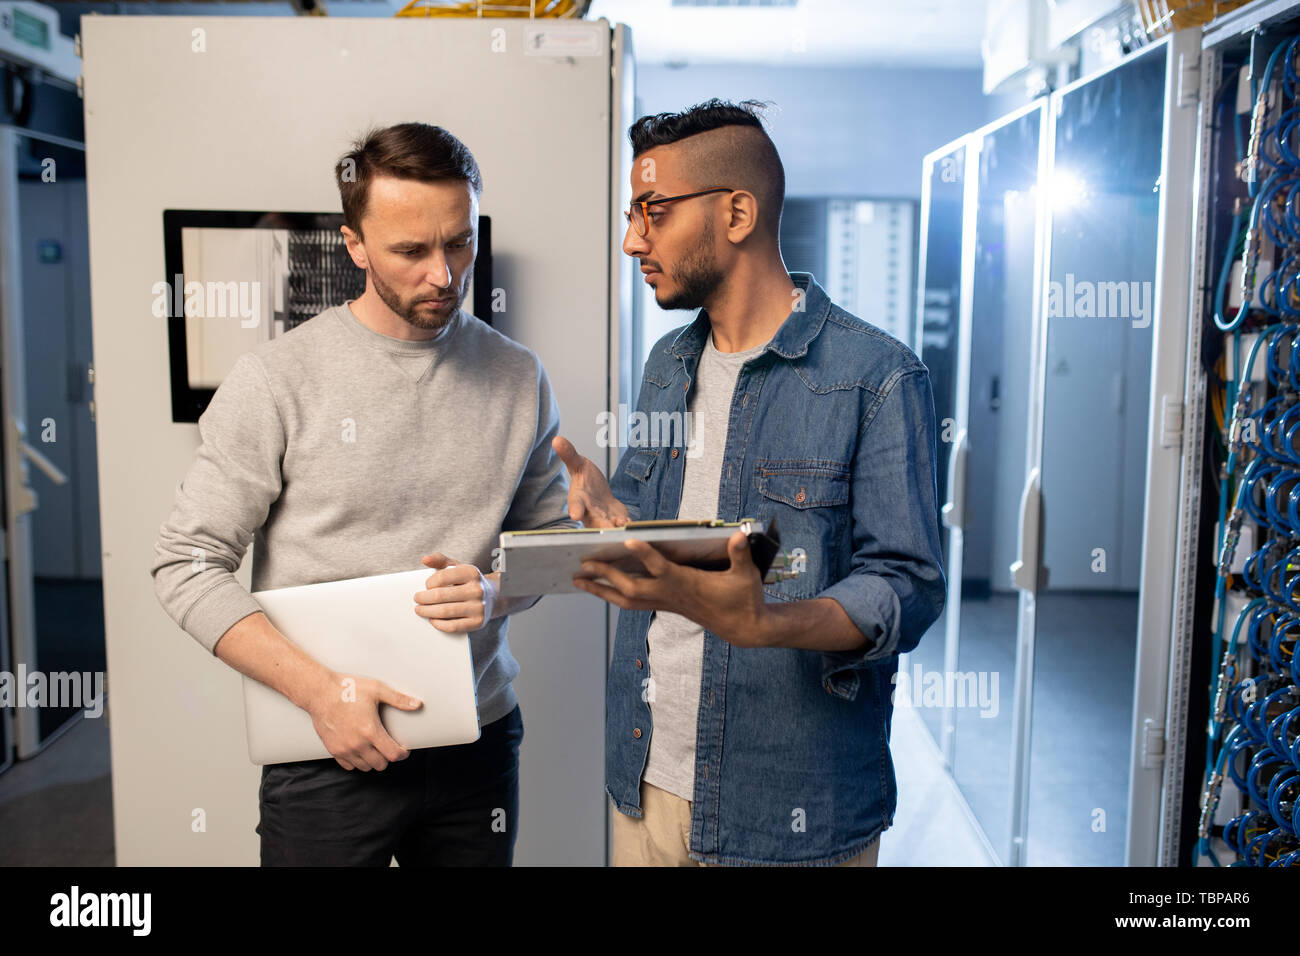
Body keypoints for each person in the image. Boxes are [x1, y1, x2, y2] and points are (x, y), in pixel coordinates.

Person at [150, 122, 571, 866]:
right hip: (323, 748)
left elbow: (548, 546)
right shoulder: (277, 380)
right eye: (411, 251)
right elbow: (185, 564)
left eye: (461, 242)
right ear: (355, 247)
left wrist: (498, 592)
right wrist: (318, 693)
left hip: (477, 740)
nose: (443, 275)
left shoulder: (519, 375)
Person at [553, 99, 947, 866]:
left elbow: (908, 587)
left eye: (653, 212)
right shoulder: (666, 363)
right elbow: (678, 539)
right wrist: (618, 521)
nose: (633, 239)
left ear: (737, 212)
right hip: (644, 783)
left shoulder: (877, 377)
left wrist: (768, 623)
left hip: (789, 811)